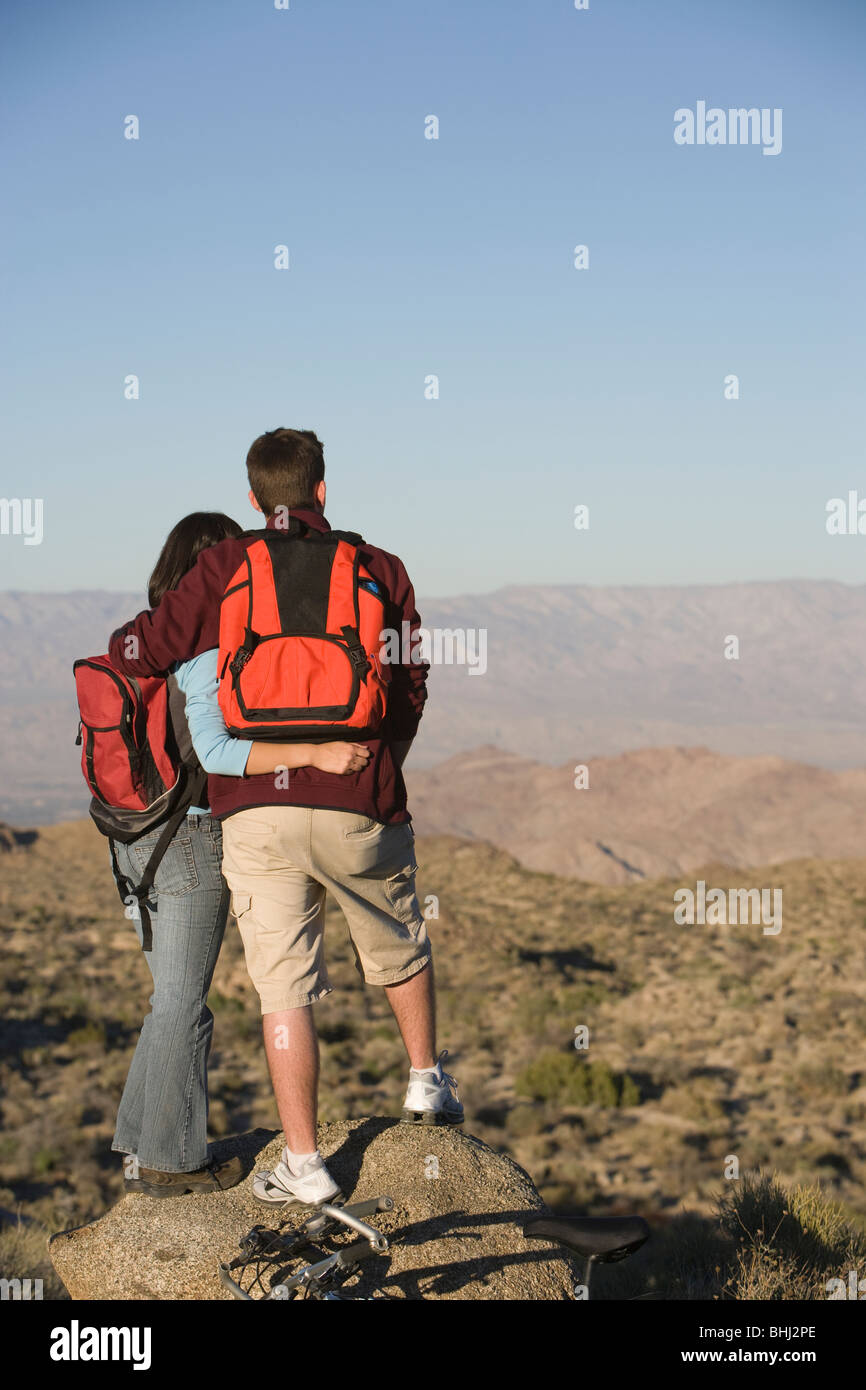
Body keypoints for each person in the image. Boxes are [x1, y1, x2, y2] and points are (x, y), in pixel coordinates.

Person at [108, 428, 463, 1210]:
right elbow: (409, 681)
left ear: (253, 500)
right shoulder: (380, 568)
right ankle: (425, 1082)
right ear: (323, 491)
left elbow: (149, 647)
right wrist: (383, 758)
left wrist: (127, 645)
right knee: (399, 940)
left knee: (284, 989)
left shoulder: (224, 565)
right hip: (356, 798)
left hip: (255, 815)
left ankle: (304, 1164)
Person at [112, 510, 372, 1199]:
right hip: (190, 840)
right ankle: (171, 1162)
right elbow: (218, 751)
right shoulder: (200, 654)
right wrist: (313, 754)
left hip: (136, 838)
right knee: (184, 1005)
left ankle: (141, 1141)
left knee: (168, 999)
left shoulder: (151, 643)